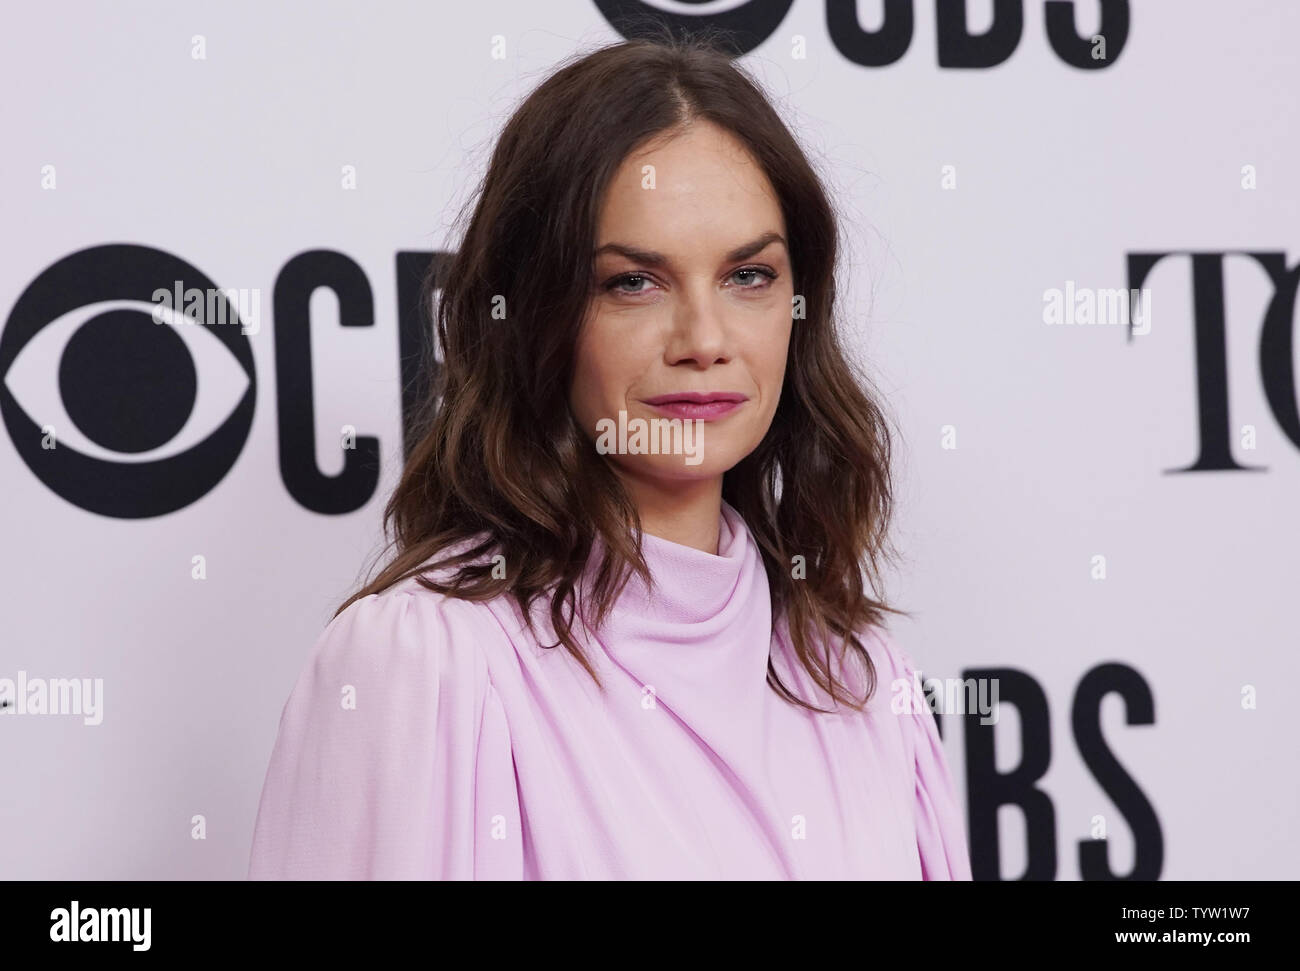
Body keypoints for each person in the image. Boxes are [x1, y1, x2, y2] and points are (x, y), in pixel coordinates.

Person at [247, 34, 972, 880]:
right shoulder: (432, 663)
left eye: (749, 276)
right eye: (633, 282)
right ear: (535, 316)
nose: (704, 340)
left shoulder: (860, 681)